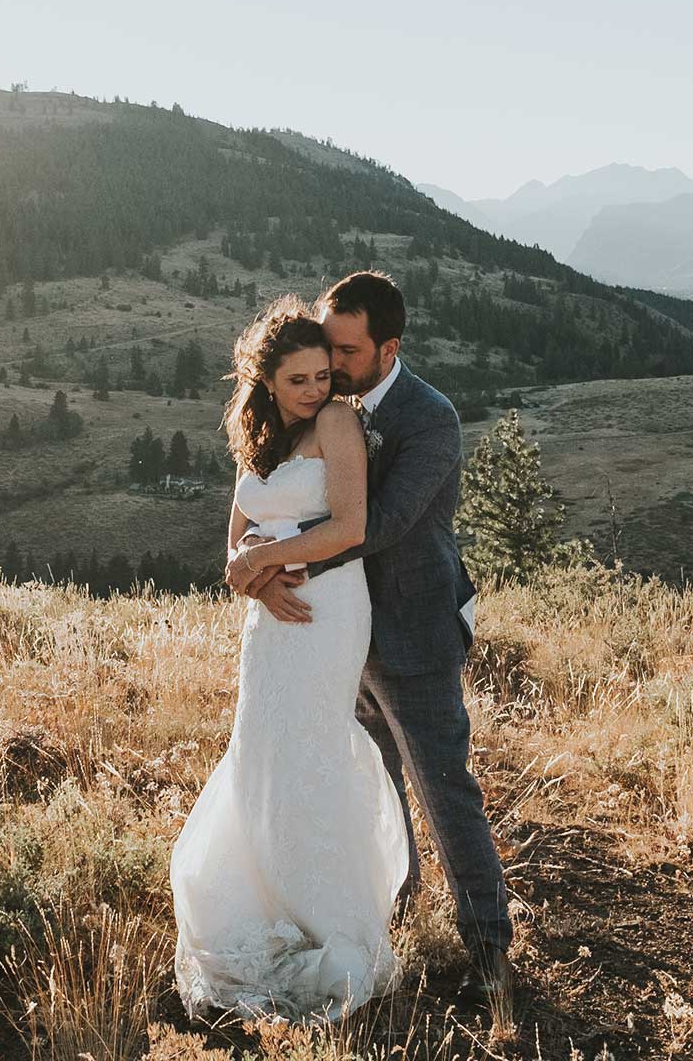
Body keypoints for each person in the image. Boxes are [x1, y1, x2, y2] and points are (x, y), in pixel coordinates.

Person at [239, 270, 514, 1011]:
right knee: (373, 782)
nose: (330, 362)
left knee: (444, 789)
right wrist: (267, 573)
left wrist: (273, 562)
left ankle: (489, 944)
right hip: (339, 635)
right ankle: (396, 904)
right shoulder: (330, 408)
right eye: (326, 346)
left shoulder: (431, 419)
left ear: (388, 348)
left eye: (346, 350)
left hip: (412, 632)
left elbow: (383, 524)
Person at [170, 294, 409, 1022]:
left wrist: (268, 561)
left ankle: (329, 912)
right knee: (263, 747)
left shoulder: (339, 422)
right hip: (268, 620)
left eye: (321, 375)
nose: (316, 389)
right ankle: (265, 895)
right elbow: (236, 540)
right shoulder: (258, 435)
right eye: (298, 379)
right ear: (265, 381)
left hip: (328, 610)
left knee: (311, 747)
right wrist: (256, 575)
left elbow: (349, 526)